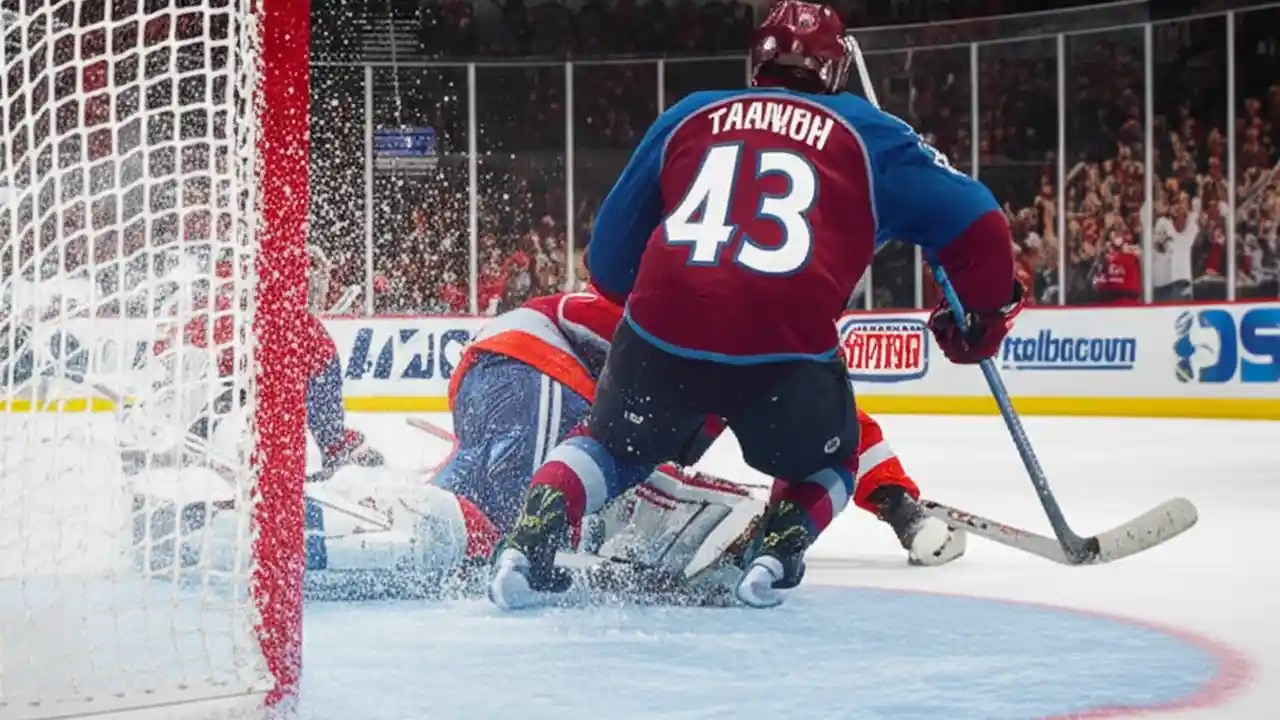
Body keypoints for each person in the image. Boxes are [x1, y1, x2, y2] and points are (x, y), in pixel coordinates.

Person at [489, 0, 1019, 610]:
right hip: (781, 342)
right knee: (830, 463)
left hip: (661, 331)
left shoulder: (690, 114)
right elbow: (980, 223)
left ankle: (527, 543)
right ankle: (774, 554)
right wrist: (982, 314)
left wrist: (687, 288)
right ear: (835, 67)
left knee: (607, 447)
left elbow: (608, 264)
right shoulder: (869, 132)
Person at [436, 289, 962, 576]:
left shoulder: (746, 338)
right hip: (530, 363)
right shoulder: (685, 312)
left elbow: (833, 430)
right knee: (535, 523)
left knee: (483, 515)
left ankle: (400, 505)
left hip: (504, 384)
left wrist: (897, 502)